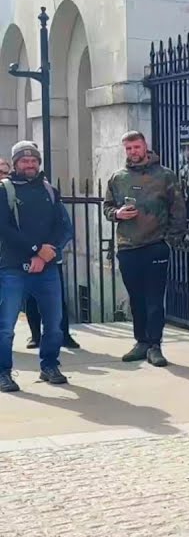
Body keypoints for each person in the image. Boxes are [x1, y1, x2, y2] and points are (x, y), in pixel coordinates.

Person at [104, 130, 185, 367]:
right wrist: (117, 214)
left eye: (136, 147)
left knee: (154, 299)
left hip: (155, 245)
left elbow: (178, 209)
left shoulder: (165, 176)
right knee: (136, 299)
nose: (133, 152)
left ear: (145, 146)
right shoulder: (118, 178)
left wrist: (170, 241)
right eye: (128, 149)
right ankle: (141, 342)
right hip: (127, 247)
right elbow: (107, 207)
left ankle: (155, 346)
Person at [0, 141, 71, 391]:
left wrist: (46, 252)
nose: (29, 165)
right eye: (24, 161)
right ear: (15, 163)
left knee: (54, 324)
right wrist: (34, 250)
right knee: (5, 326)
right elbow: (4, 229)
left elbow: (64, 227)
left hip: (46, 268)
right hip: (13, 268)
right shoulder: (4, 190)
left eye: (33, 161)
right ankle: (3, 372)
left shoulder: (49, 190)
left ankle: (50, 365)